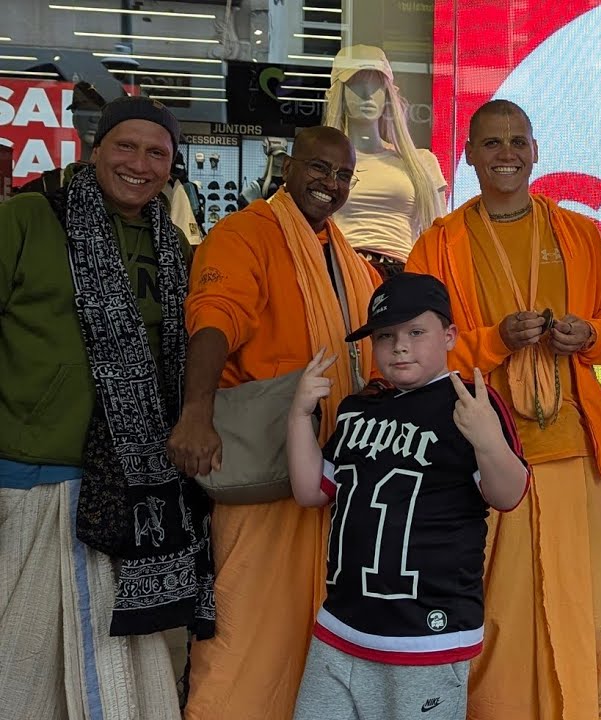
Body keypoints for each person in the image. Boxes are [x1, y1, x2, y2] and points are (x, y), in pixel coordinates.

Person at [404, 99, 601, 720]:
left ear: (536, 151)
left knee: (588, 603)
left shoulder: (578, 234)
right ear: (470, 154)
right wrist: (494, 340)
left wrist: (589, 337)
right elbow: (416, 348)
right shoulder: (440, 243)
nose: (506, 153)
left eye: (517, 141)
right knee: (497, 608)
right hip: (487, 457)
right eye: (492, 143)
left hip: (574, 451)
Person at [0, 95, 212, 720]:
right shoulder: (29, 220)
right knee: (21, 651)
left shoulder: (172, 245)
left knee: (112, 658)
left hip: (135, 485)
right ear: (96, 151)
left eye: (157, 153)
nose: (139, 164)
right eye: (126, 146)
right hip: (33, 463)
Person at [170, 125, 382, 720]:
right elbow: (214, 320)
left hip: (328, 471)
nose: (330, 184)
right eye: (319, 168)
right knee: (246, 622)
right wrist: (196, 414)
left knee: (315, 620)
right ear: (289, 166)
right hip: (261, 468)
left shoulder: (346, 256)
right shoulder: (245, 234)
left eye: (343, 175)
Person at [286, 271, 529, 720]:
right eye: (386, 335)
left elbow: (508, 495)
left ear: (449, 335)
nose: (400, 346)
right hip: (341, 628)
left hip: (427, 634)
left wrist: (488, 440)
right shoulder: (360, 406)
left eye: (416, 332)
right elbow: (310, 491)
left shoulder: (469, 403)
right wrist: (300, 415)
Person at [326, 44, 448, 276]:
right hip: (343, 270)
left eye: (376, 86)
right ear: (339, 94)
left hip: (403, 272)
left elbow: (440, 233)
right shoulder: (327, 165)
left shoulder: (421, 162)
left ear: (388, 93)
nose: (367, 94)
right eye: (356, 86)